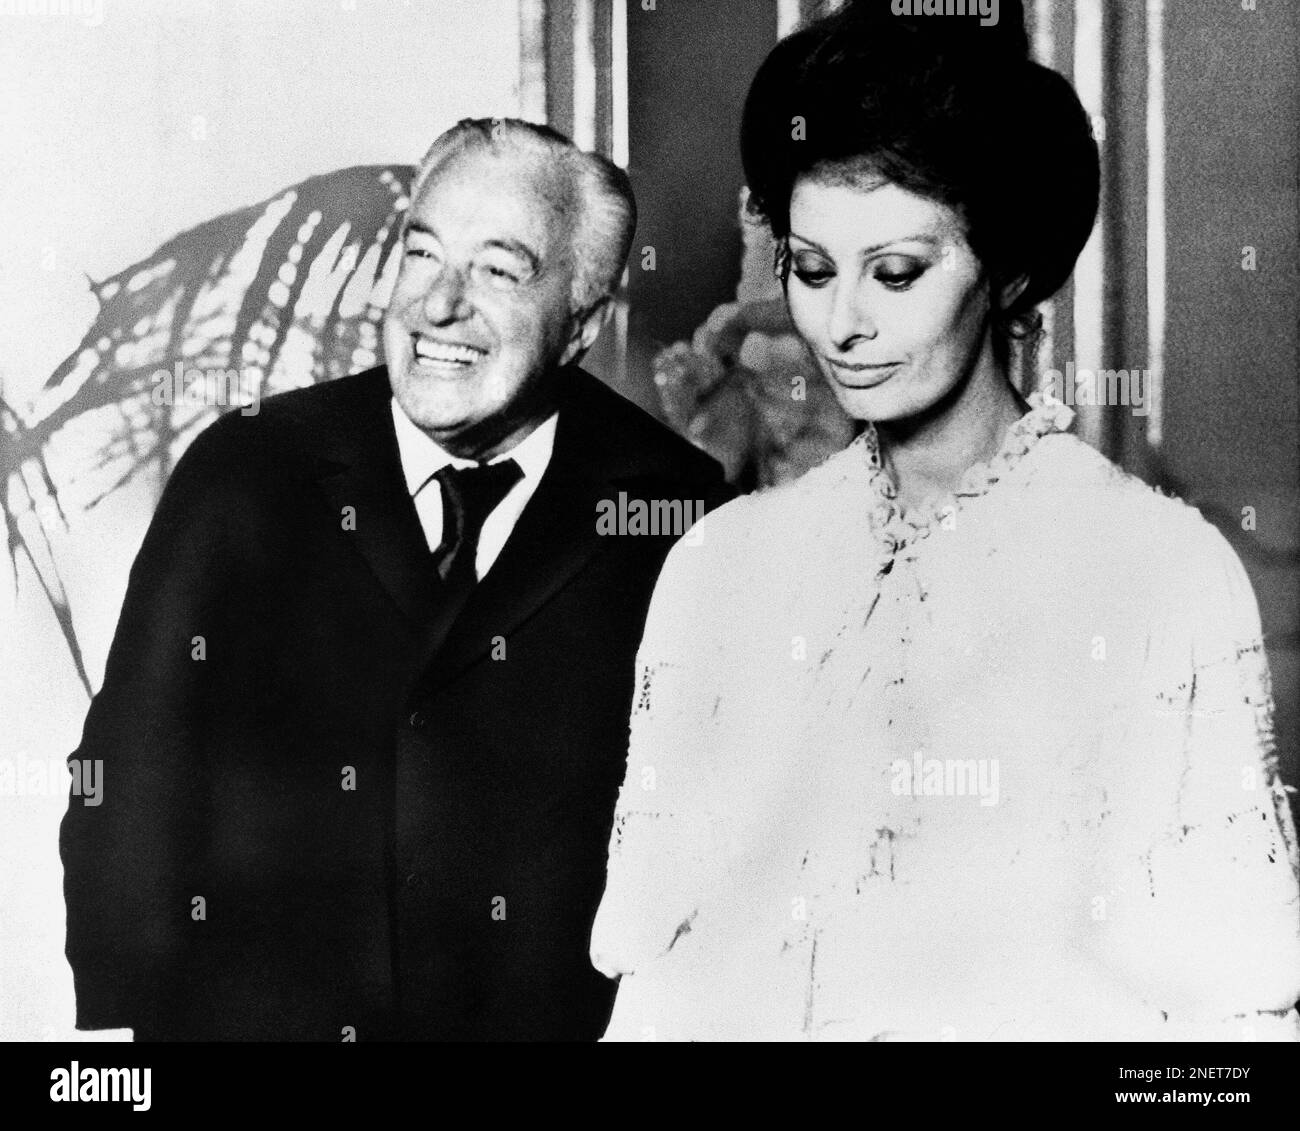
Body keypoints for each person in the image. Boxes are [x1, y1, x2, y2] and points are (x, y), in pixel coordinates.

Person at [590, 3, 1300, 1041]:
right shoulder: (723, 569)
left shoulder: (1158, 574)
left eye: (897, 274)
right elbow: (655, 990)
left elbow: (1233, 1029)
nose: (842, 324)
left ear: (1005, 272)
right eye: (813, 269)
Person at [60, 118, 732, 1041]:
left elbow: (702, 845)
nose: (439, 305)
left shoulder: (674, 507)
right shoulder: (248, 470)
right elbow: (128, 774)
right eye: (422, 254)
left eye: (499, 270)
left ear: (582, 321)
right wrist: (129, 1037)